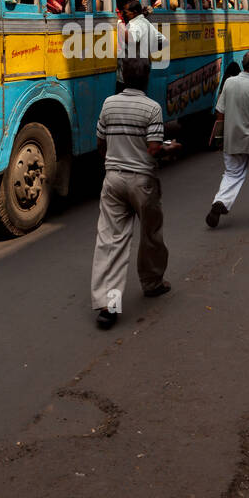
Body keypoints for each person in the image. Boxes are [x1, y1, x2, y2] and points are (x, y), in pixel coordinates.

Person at [91, 56, 177, 329]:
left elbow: (100, 142)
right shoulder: (151, 108)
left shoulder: (108, 103)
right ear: (147, 79)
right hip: (142, 181)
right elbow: (153, 148)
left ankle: (108, 305)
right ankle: (152, 283)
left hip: (113, 179)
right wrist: (170, 148)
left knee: (111, 242)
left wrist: (110, 164)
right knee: (150, 235)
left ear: (123, 78)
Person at [205, 49, 249, 228]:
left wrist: (219, 137)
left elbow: (220, 111)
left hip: (231, 138)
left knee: (232, 173)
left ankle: (221, 201)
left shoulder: (229, 83)